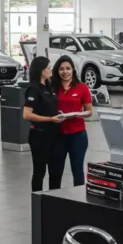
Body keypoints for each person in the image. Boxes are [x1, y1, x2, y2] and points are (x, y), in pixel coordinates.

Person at [50, 56, 93, 187]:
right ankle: (53, 196)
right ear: (57, 71)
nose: (65, 72)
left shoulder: (82, 87)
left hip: (78, 135)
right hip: (58, 134)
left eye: (68, 68)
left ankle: (78, 197)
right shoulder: (53, 87)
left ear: (73, 70)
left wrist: (75, 114)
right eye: (61, 69)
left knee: (77, 169)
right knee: (56, 171)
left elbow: (89, 111)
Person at [22, 56, 63, 191]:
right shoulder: (34, 89)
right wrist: (50, 119)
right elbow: (27, 114)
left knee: (55, 171)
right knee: (40, 171)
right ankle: (37, 199)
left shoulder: (49, 87)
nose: (50, 70)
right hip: (39, 135)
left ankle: (54, 198)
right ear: (41, 70)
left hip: (54, 134)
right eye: (48, 68)